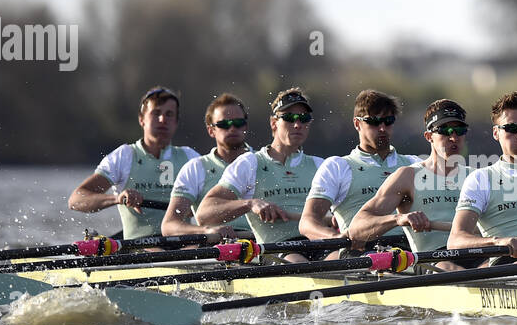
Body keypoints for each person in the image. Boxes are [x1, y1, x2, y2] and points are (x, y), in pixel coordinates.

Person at [195, 87, 324, 262]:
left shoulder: (320, 165)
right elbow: (204, 214)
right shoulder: (249, 163)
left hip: (322, 245)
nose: (297, 124)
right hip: (277, 249)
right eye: (289, 118)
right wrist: (250, 203)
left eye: (304, 118)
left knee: (340, 262)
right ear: (273, 123)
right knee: (300, 263)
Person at [348, 99, 472, 270]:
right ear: (429, 136)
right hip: (433, 261)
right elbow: (356, 229)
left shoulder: (477, 177)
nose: (453, 138)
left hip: (477, 255)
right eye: (444, 131)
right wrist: (399, 219)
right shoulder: (408, 176)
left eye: (459, 131)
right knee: (449, 267)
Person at [68, 86, 200, 240]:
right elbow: (76, 200)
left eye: (169, 114)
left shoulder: (190, 157)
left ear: (176, 122)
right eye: (156, 113)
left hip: (185, 244)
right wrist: (117, 199)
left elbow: (215, 202)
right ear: (141, 119)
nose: (163, 120)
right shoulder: (124, 156)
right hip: (139, 246)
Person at [297, 89, 420, 255]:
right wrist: (336, 237)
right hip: (360, 250)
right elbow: (307, 222)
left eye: (388, 121)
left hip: (409, 250)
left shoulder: (415, 164)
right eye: (374, 122)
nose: (382, 128)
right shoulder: (337, 167)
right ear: (357, 124)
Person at [448, 91, 517, 262]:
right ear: (496, 133)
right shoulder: (481, 179)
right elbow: (456, 240)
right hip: (507, 265)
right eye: (511, 128)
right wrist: (500, 242)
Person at [160, 93, 252, 239]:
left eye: (238, 123)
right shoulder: (195, 168)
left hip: (260, 245)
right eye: (224, 124)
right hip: (216, 246)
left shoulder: (262, 162)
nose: (232, 128)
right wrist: (205, 230)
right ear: (211, 130)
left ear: (245, 126)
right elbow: (169, 225)